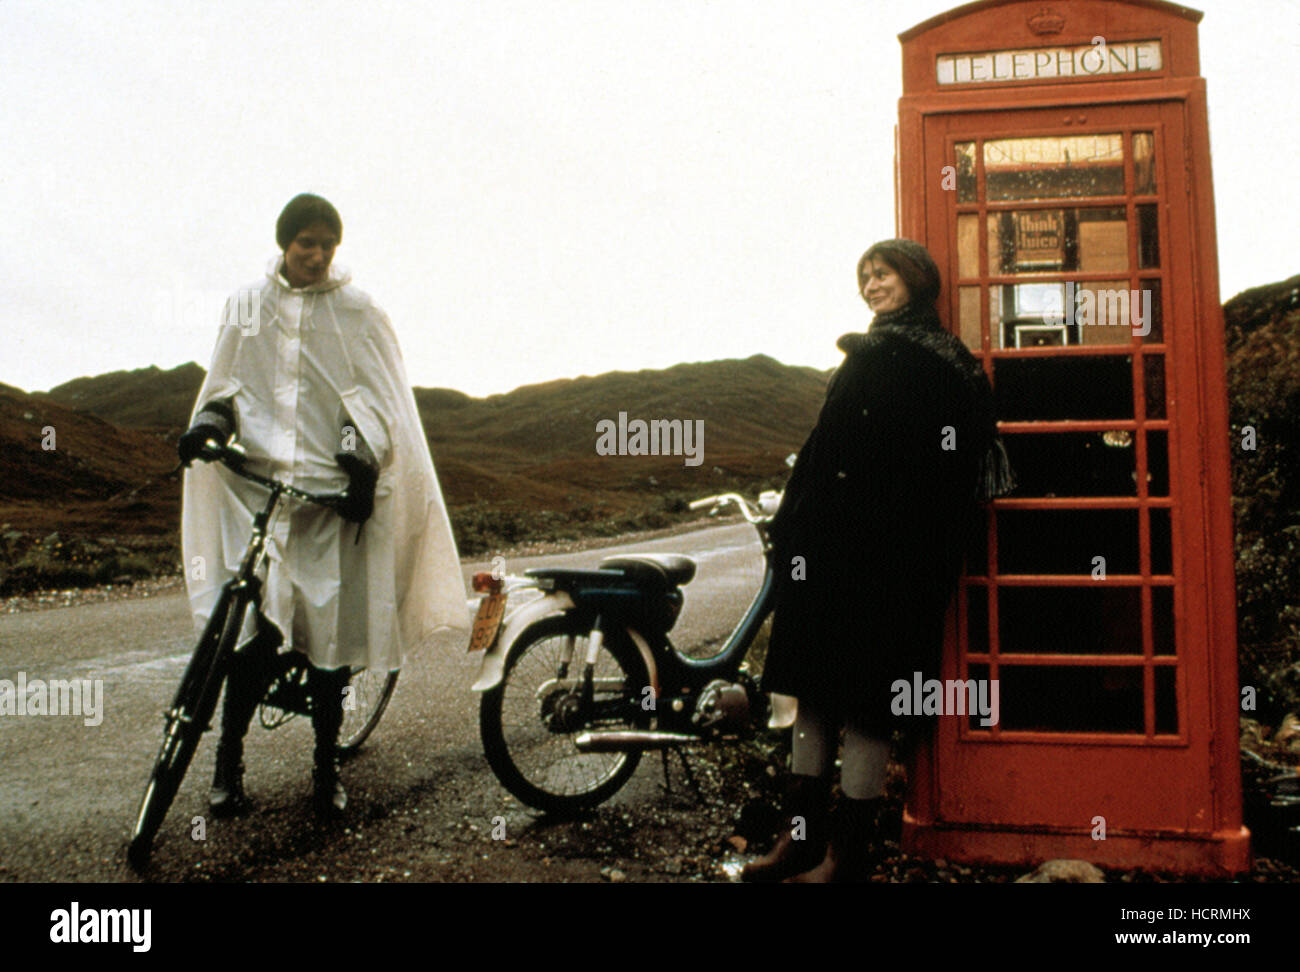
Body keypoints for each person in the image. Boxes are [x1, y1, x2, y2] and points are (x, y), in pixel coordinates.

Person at [178, 193, 468, 818]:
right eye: (305, 242)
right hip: (258, 491)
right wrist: (208, 419)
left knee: (330, 645)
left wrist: (361, 456)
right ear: (284, 242)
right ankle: (229, 758)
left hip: (328, 500)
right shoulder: (247, 307)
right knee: (253, 635)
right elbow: (226, 381)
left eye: (327, 244)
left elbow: (378, 400)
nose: (315, 255)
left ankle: (324, 765)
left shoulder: (359, 312)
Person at [743, 238, 1012, 882]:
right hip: (826, 557)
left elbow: (958, 471)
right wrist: (794, 527)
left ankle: (848, 857)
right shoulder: (867, 349)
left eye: (882, 273)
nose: (870, 284)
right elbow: (824, 449)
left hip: (889, 565)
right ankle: (800, 842)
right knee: (811, 699)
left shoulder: (945, 363)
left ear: (916, 280)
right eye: (864, 275)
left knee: (867, 708)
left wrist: (901, 537)